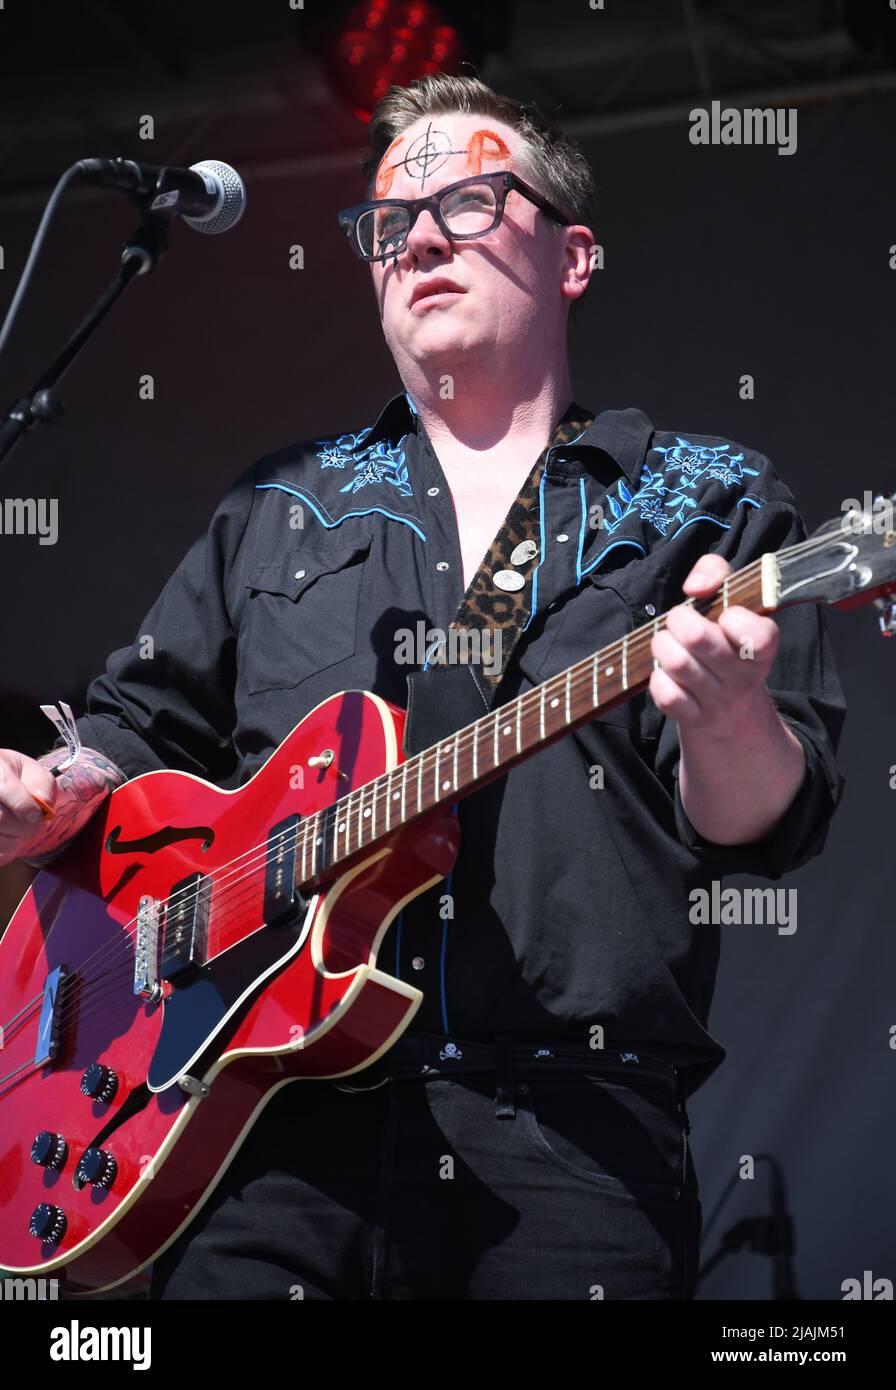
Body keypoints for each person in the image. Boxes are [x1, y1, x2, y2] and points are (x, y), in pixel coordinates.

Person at [0, 74, 845, 1300]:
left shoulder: (705, 502)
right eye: (391, 220)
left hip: (570, 1135)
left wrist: (728, 716)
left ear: (573, 256)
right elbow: (135, 729)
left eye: (470, 199)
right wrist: (54, 787)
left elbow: (761, 822)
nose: (421, 237)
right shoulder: (280, 504)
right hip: (256, 1125)